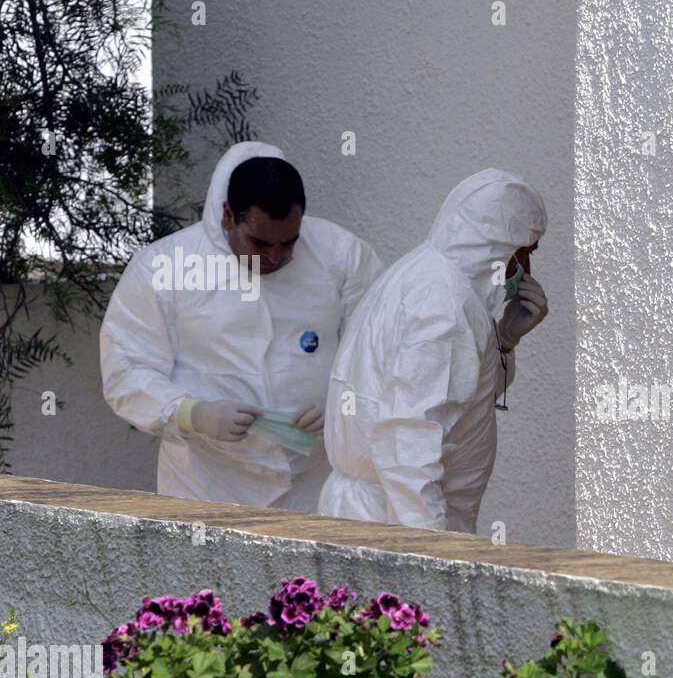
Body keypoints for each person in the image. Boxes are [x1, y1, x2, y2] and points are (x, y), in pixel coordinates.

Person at [100, 141, 385, 511]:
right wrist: (191, 413)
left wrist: (343, 401)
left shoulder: (342, 256)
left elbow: (381, 353)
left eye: (289, 242)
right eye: (260, 242)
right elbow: (126, 369)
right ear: (227, 216)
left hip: (315, 483)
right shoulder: (163, 268)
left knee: (308, 571)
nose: (275, 256)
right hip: (206, 483)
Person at [318, 168, 549, 532]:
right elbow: (409, 439)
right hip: (395, 521)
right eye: (524, 252)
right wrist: (429, 557)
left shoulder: (427, 276)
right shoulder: (444, 307)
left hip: (381, 514)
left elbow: (457, 404)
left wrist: (504, 340)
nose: (526, 268)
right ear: (497, 247)